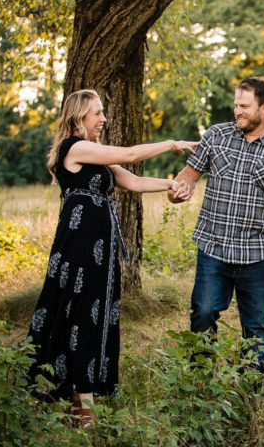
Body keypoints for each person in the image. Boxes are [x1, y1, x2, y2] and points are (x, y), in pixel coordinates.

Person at [26, 89, 197, 424]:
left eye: (103, 113)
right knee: (77, 314)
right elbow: (132, 154)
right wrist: (171, 144)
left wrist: (170, 184)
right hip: (78, 250)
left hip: (100, 255)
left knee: (94, 316)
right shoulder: (74, 148)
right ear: (78, 117)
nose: (103, 119)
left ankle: (81, 405)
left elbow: (132, 180)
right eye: (97, 113)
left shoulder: (94, 157)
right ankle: (81, 409)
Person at [168, 76, 264, 374]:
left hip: (257, 255)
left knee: (256, 328)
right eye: (235, 105)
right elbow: (189, 174)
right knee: (202, 314)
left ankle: (248, 396)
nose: (237, 111)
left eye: (244, 106)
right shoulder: (216, 136)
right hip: (213, 247)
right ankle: (200, 384)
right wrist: (179, 190)